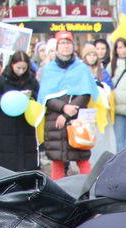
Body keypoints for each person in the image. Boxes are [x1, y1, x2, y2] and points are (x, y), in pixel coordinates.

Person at [40, 31, 95, 179]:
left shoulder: (81, 68)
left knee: (82, 159)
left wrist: (68, 113)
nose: (65, 47)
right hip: (55, 119)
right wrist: (62, 108)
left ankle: (87, 192)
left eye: (68, 43)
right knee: (57, 160)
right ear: (57, 47)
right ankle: (58, 193)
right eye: (62, 43)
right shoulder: (49, 69)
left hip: (77, 119)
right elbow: (46, 96)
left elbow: (85, 94)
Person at [0, 51, 40, 172]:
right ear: (12, 65)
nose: (21, 71)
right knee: (9, 157)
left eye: (24, 68)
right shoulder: (2, 79)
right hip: (8, 124)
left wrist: (31, 96)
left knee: (27, 157)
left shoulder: (31, 80)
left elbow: (39, 97)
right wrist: (9, 98)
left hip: (27, 123)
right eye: (18, 68)